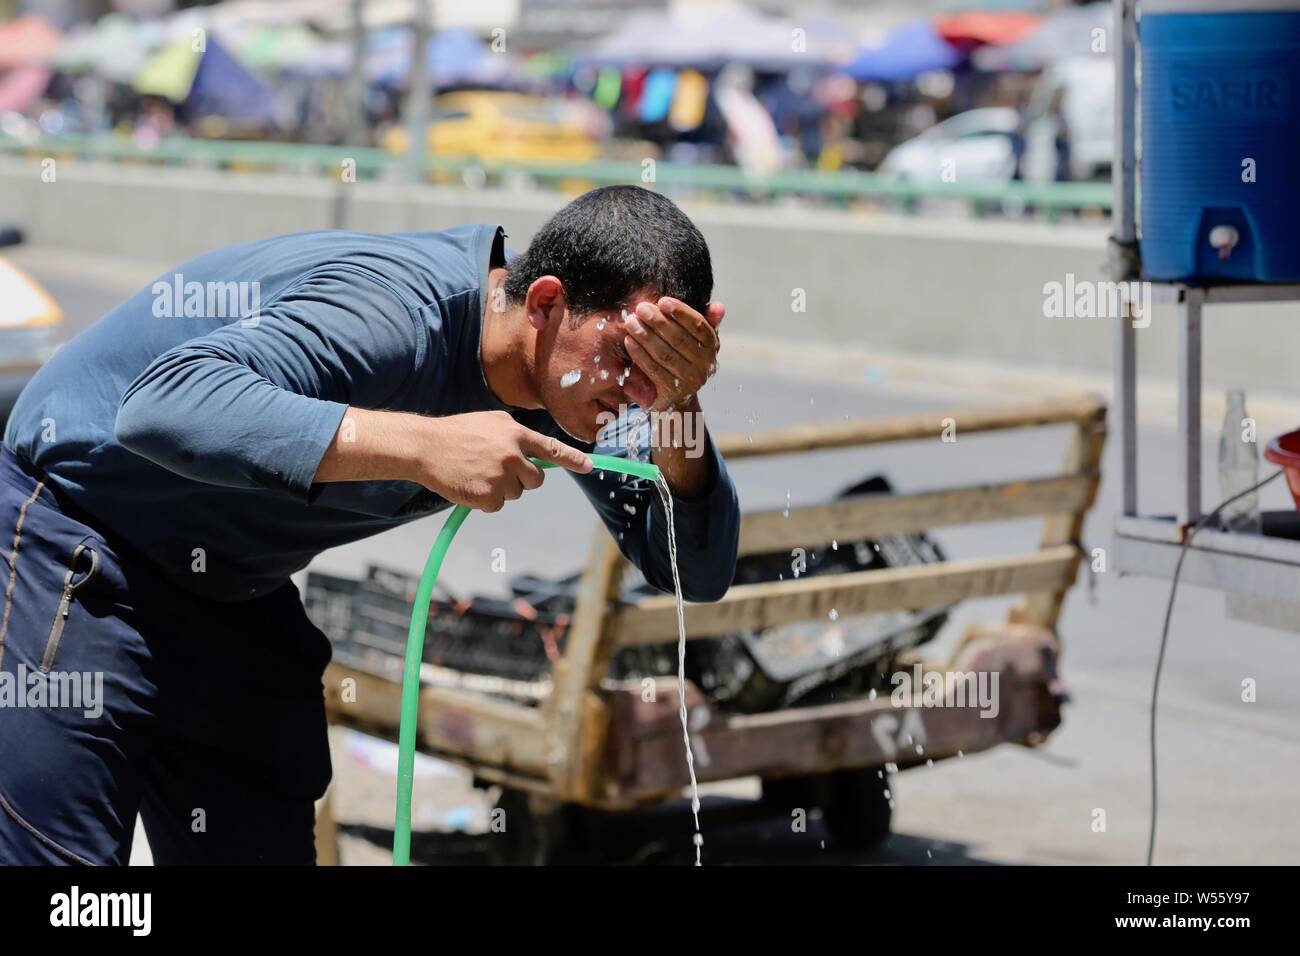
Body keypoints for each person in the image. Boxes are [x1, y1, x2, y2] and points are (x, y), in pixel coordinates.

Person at [0, 185, 740, 865]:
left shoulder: (597, 389)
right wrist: (426, 446)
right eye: (627, 357)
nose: (635, 391)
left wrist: (679, 407)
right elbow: (160, 406)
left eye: (664, 365)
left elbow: (691, 571)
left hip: (228, 586)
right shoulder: (392, 311)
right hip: (76, 534)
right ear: (546, 303)